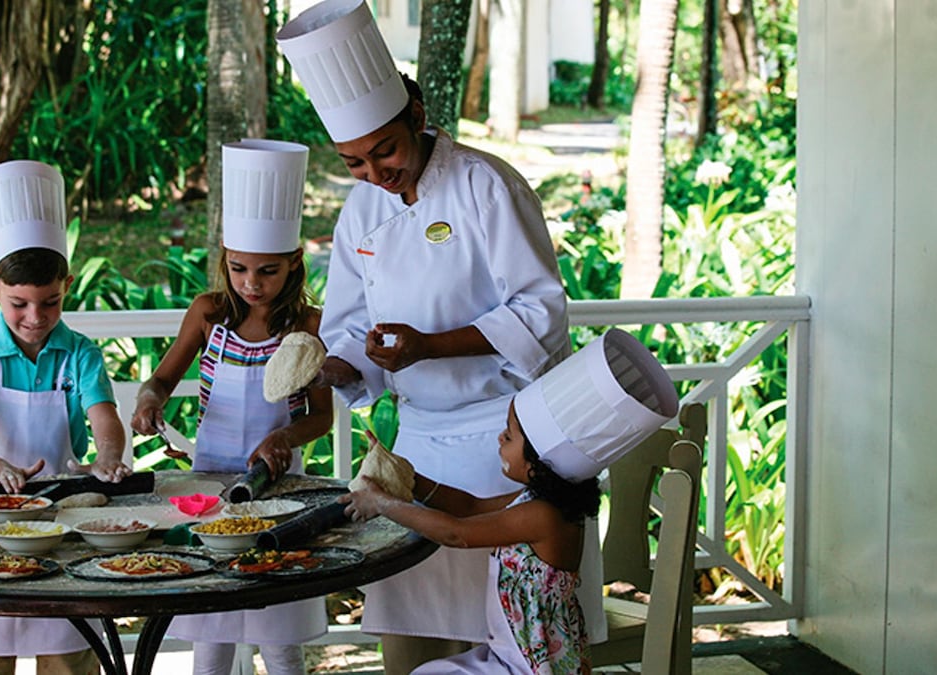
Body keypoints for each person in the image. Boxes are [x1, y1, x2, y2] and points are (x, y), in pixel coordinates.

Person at [277, 2, 602, 672]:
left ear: (417, 119)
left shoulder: (487, 186)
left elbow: (542, 313)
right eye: (354, 162)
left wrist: (430, 345)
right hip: (415, 452)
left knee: (509, 639)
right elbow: (345, 332)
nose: (374, 173)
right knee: (414, 644)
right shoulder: (361, 210)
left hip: (504, 446)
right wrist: (329, 371)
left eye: (385, 151)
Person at [341, 329, 680, 675]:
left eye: (511, 434)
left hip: (535, 667)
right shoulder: (537, 501)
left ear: (539, 462)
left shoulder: (544, 516)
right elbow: (469, 506)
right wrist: (409, 479)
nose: (501, 437)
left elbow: (456, 533)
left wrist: (383, 504)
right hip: (511, 655)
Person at [130, 139, 331, 675]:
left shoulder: (308, 326)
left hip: (277, 488)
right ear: (224, 258)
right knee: (211, 630)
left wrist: (284, 439)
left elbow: (323, 415)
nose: (251, 284)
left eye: (267, 271)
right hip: (210, 487)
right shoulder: (208, 313)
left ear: (293, 263)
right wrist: (150, 401)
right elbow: (163, 377)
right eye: (239, 268)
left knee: (280, 637)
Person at [0, 160, 132, 675]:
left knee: (69, 657)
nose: (35, 318)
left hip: (63, 517)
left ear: (67, 285)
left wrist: (110, 458)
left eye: (50, 302)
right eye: (19, 304)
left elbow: (104, 417)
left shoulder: (81, 353)